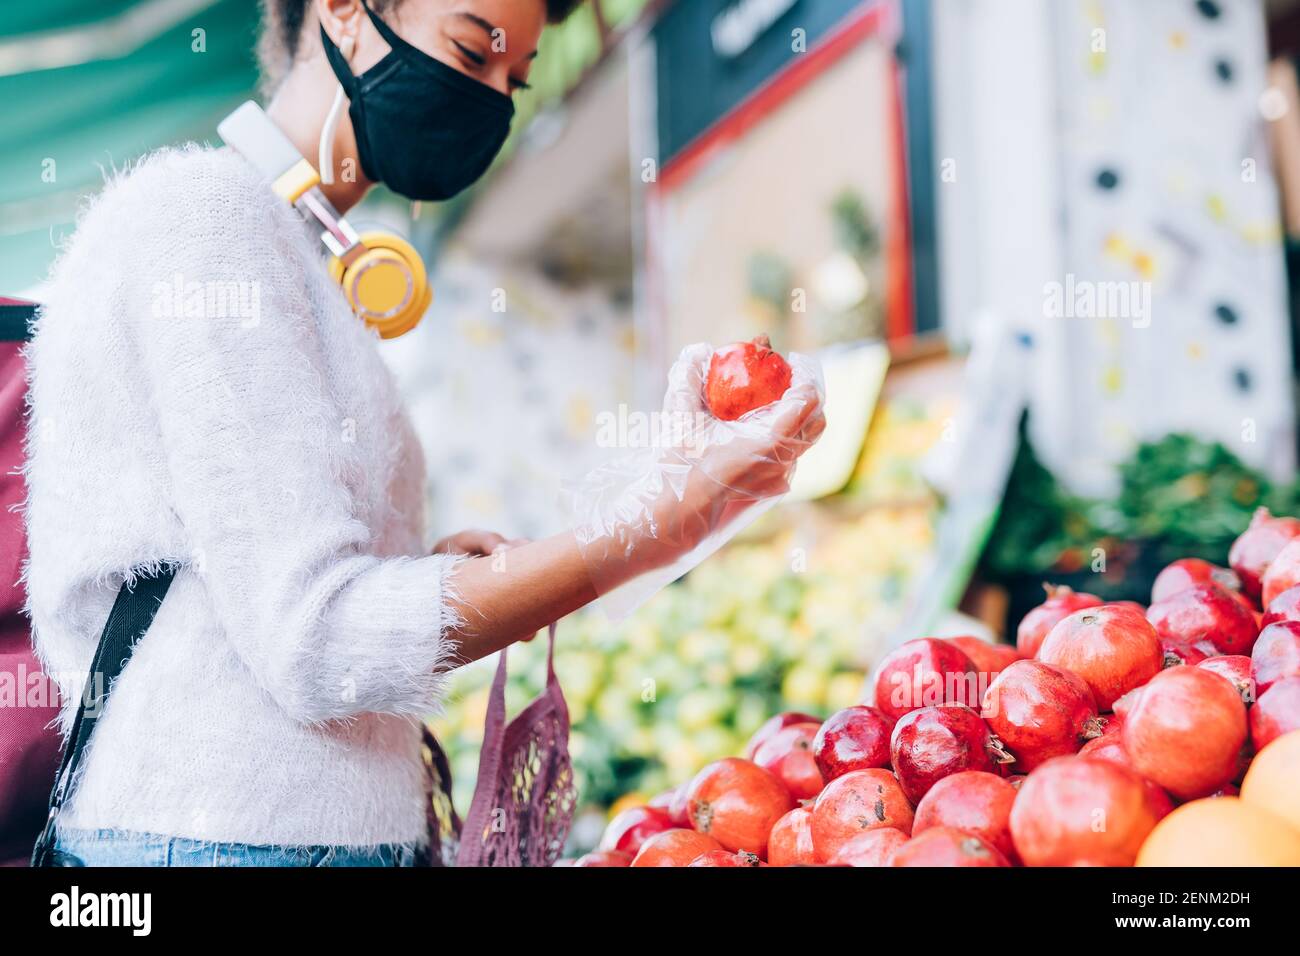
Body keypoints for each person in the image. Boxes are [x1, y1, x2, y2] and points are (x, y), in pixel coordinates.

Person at [23, 0, 823, 867]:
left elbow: (270, 593)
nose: (489, 99)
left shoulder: (297, 248)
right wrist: (655, 521)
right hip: (220, 843)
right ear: (343, 13)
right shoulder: (207, 221)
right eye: (472, 49)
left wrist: (432, 570)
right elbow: (316, 643)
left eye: (512, 79)